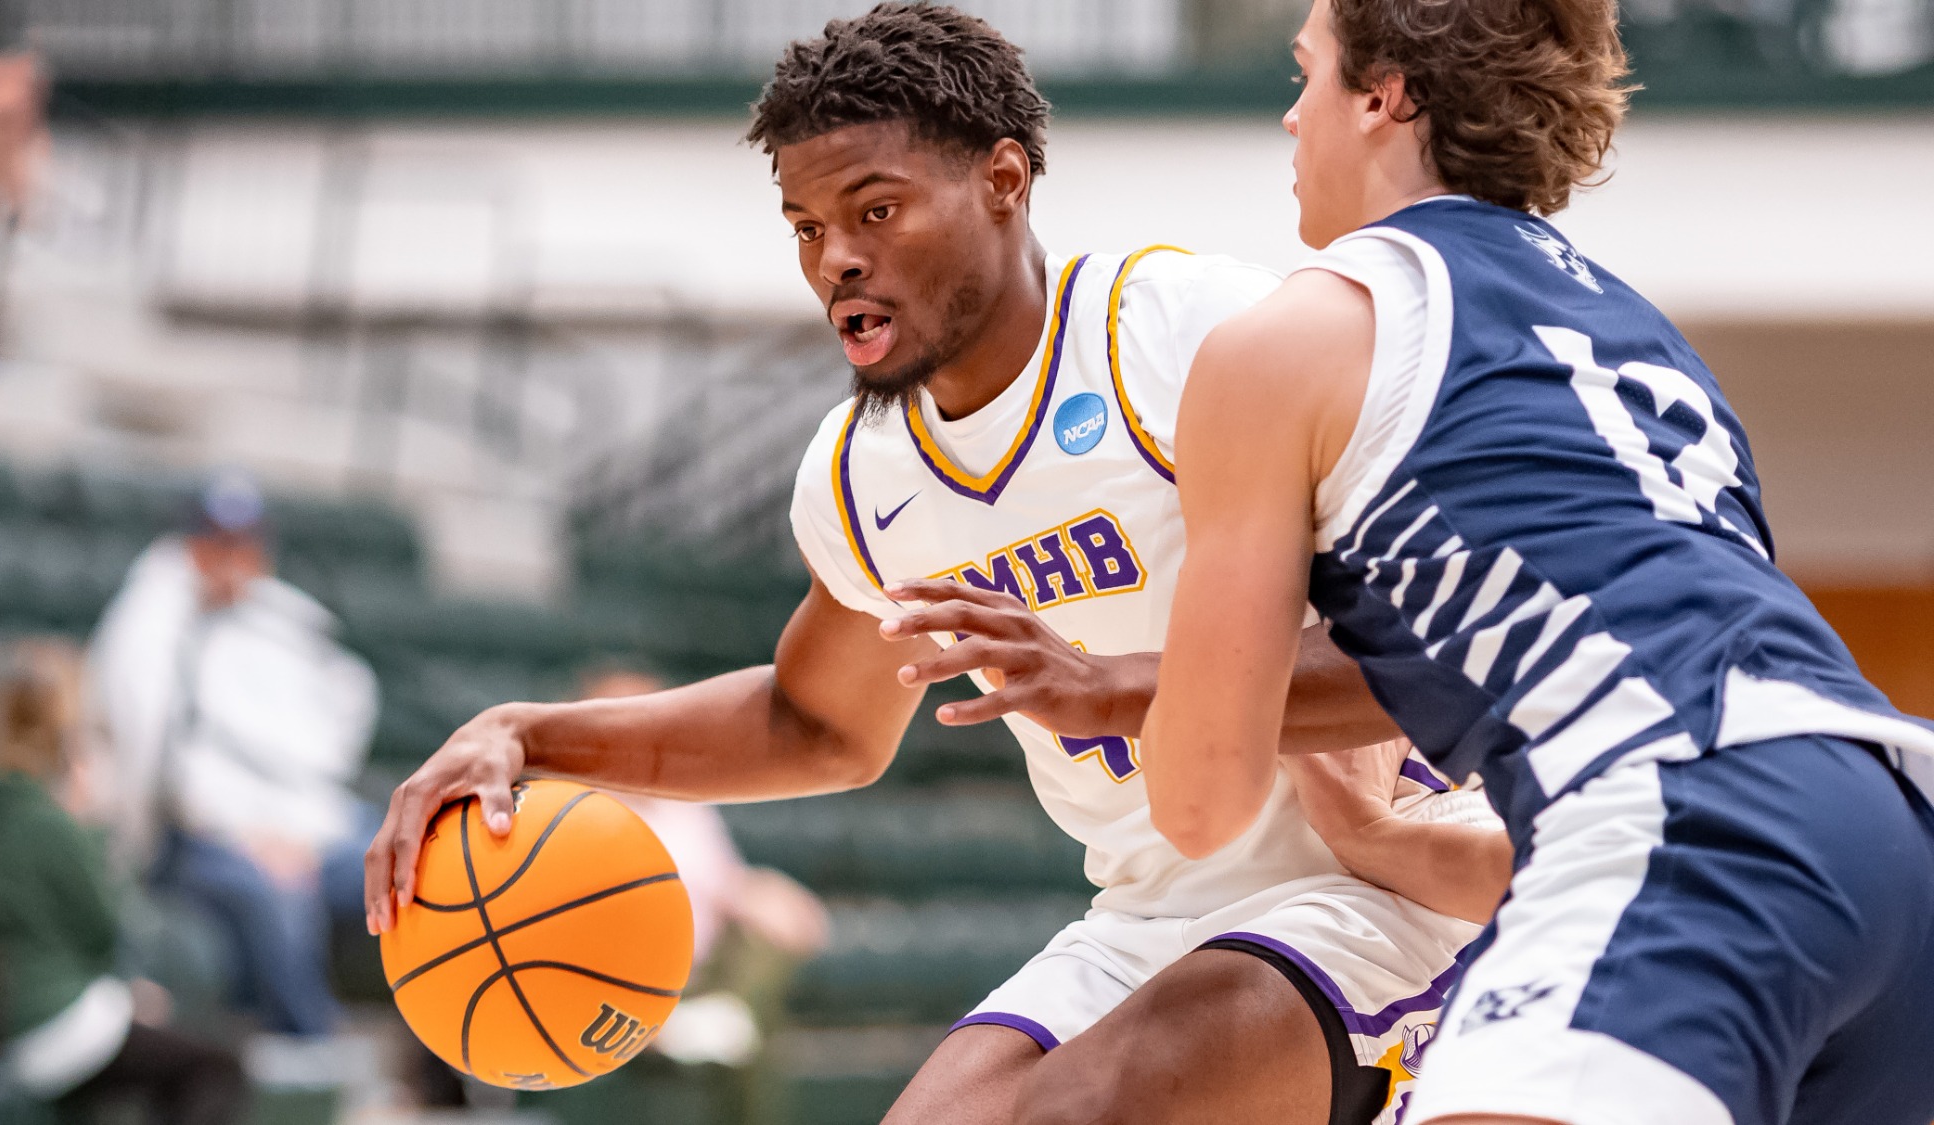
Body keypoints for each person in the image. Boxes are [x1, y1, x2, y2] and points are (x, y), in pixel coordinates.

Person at [366, 7, 1511, 1124]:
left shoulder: (1184, 332)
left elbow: (1435, 637)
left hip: (1383, 888)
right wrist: (530, 733)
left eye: (876, 209)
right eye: (806, 227)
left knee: (1084, 1107)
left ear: (1003, 182)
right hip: (1151, 914)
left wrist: (1117, 683)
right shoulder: (859, 476)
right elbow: (813, 726)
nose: (838, 261)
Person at [1137, 0, 1934, 1122]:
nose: (1286, 117)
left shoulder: (1288, 337)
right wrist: (1379, 833)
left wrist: (1165, 654)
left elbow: (1197, 802)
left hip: (1693, 814)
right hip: (1890, 821)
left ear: (1382, 94)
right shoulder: (1635, 331)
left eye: (1303, 73)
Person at [87, 470, 380, 1038]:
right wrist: (255, 837)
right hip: (199, 840)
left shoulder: (282, 621)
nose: (233, 558)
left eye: (245, 543)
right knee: (277, 897)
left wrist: (302, 835)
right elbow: (162, 767)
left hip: (307, 825)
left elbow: (334, 722)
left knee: (416, 860)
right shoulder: (153, 624)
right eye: (218, 541)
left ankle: (451, 1074)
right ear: (191, 544)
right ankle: (313, 1069)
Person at [0, 639, 247, 1125]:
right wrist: (91, 824)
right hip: (54, 1025)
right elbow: (104, 930)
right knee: (217, 1068)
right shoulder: (47, 821)